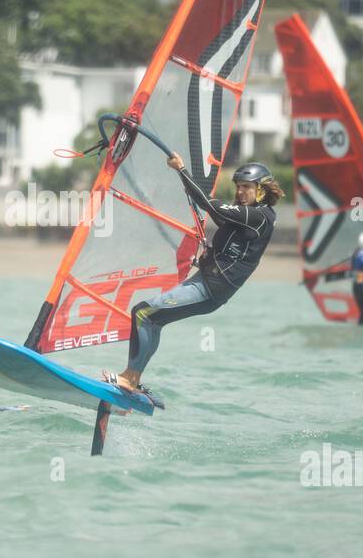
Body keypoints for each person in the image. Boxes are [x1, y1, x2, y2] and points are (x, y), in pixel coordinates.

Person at [109, 154, 283, 395]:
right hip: (208, 283)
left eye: (247, 187)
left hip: (210, 288)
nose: (241, 192)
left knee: (142, 312)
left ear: (261, 190)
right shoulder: (249, 215)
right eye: (239, 187)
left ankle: (129, 377)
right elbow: (218, 216)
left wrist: (181, 170)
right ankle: (133, 381)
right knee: (153, 320)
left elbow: (209, 204)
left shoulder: (258, 216)